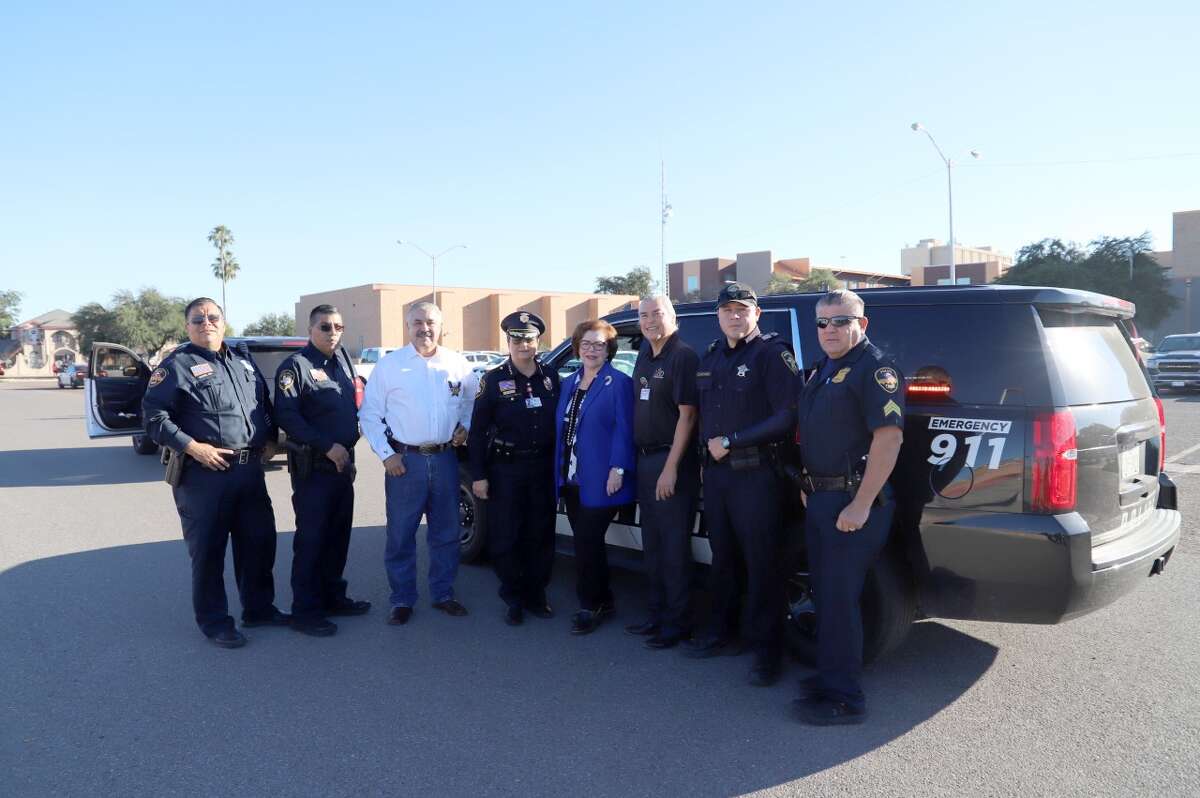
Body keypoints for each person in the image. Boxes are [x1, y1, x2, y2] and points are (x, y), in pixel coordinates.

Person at [142, 297, 288, 649]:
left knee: (259, 542)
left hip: (249, 471)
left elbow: (261, 405)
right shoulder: (176, 365)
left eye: (212, 317)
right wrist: (193, 447)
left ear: (223, 322)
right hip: (204, 474)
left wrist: (268, 440)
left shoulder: (242, 362)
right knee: (208, 552)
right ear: (187, 326)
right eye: (197, 319)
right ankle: (214, 621)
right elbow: (153, 417)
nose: (206, 322)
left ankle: (259, 608)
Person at [793, 289, 904, 726]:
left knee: (840, 599)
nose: (830, 330)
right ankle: (829, 677)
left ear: (863, 323)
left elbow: (888, 439)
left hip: (854, 503)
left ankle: (845, 699)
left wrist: (860, 503)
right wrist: (810, 486)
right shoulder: (826, 368)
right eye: (822, 323)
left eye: (840, 321)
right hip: (824, 498)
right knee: (825, 593)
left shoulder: (875, 369)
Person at [686, 282, 802, 687]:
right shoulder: (712, 356)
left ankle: (767, 653)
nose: (734, 316)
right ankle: (722, 634)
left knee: (762, 564)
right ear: (717, 316)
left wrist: (732, 442)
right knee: (724, 559)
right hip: (718, 477)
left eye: (742, 309)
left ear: (757, 314)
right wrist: (706, 455)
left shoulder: (771, 353)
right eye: (727, 310)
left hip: (756, 476)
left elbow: (788, 415)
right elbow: (705, 415)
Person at [359, 302, 479, 625]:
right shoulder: (390, 366)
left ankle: (443, 593)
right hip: (404, 463)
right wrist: (386, 454)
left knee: (447, 532)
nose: (424, 328)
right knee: (400, 534)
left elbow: (469, 402)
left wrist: (464, 426)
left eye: (431, 322)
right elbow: (369, 414)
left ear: (441, 326)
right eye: (417, 322)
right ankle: (402, 599)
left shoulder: (458, 364)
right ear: (407, 326)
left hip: (445, 460)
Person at [273, 304, 371, 637]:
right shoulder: (296, 367)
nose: (333, 333)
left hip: (343, 467)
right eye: (326, 327)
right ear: (311, 329)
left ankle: (333, 598)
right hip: (314, 469)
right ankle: (305, 610)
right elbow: (287, 416)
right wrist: (327, 446)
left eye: (338, 327)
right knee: (312, 541)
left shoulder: (342, 361)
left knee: (337, 538)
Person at [467, 311, 560, 626]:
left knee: (540, 533)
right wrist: (478, 475)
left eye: (529, 339)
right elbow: (477, 432)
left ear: (538, 342)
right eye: (517, 339)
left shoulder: (550, 377)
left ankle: (537, 595)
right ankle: (513, 597)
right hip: (506, 470)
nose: (523, 344)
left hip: (542, 468)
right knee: (506, 536)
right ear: (508, 342)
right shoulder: (493, 380)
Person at [625, 296, 700, 649]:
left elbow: (687, 416)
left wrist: (671, 468)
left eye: (657, 314)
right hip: (645, 460)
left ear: (673, 317)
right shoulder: (644, 353)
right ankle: (655, 614)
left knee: (672, 547)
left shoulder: (682, 356)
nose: (650, 320)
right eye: (644, 315)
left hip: (671, 462)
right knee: (652, 545)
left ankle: (678, 622)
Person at [553, 319, 635, 635]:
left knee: (586, 541)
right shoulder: (569, 382)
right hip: (572, 477)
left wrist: (618, 469)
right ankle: (604, 599)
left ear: (609, 349)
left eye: (599, 344)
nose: (591, 349)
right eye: (586, 344)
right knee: (587, 542)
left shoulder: (619, 383)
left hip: (604, 478)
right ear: (577, 348)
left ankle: (590, 605)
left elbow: (624, 431)